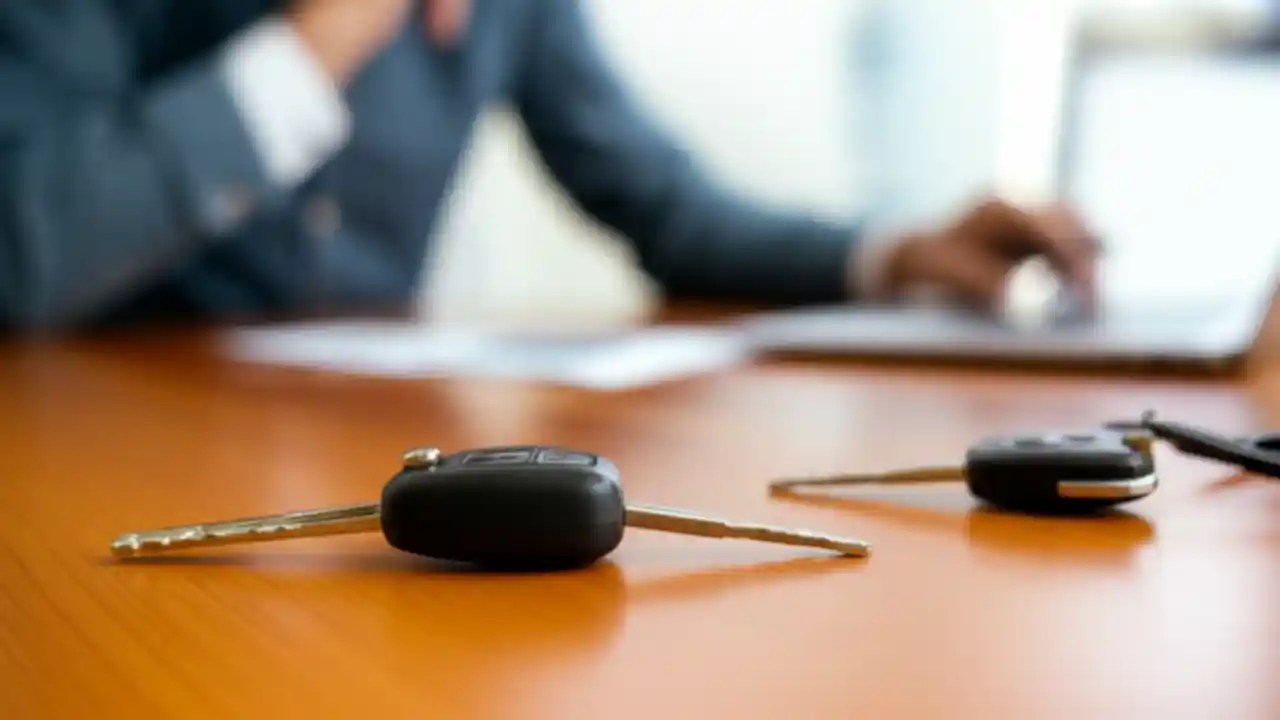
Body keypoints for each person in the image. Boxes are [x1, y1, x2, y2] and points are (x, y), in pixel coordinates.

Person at [0, 0, 1098, 331]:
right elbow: (24, 254)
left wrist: (898, 253)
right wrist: (323, 38)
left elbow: (665, 207)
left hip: (368, 473)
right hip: (86, 449)